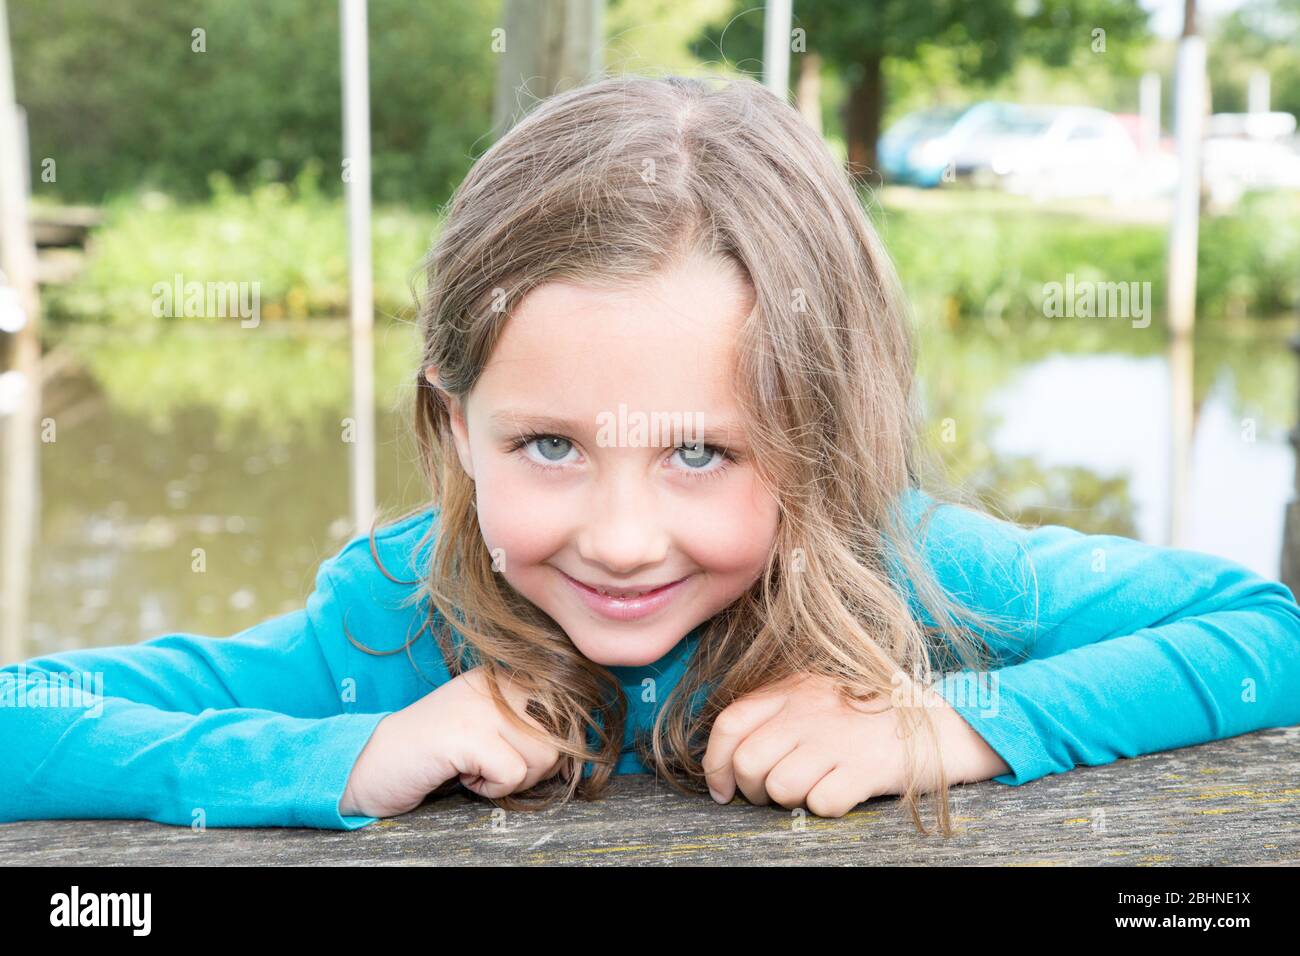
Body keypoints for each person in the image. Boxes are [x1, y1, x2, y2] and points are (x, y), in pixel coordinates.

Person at [4, 75, 1298, 838]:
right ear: (457, 424)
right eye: (550, 445)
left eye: (701, 455)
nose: (620, 538)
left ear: (823, 440)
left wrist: (951, 723)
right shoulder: (394, 622)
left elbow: (1263, 629)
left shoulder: (914, 575)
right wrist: (329, 760)